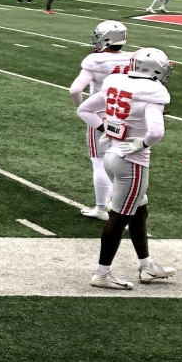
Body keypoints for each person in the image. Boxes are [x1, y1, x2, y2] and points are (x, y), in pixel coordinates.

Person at [78, 47, 176, 290]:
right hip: (132, 163)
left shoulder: (116, 81)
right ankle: (102, 274)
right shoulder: (154, 91)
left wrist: (107, 129)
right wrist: (141, 143)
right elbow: (156, 132)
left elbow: (84, 109)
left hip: (112, 156)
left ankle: (147, 265)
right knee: (119, 216)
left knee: (139, 209)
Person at [68, 20, 133, 219]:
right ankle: (124, 205)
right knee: (125, 161)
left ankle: (101, 207)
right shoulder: (132, 59)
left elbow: (75, 90)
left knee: (100, 162)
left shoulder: (95, 61)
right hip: (128, 114)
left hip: (101, 114)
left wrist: (81, 107)